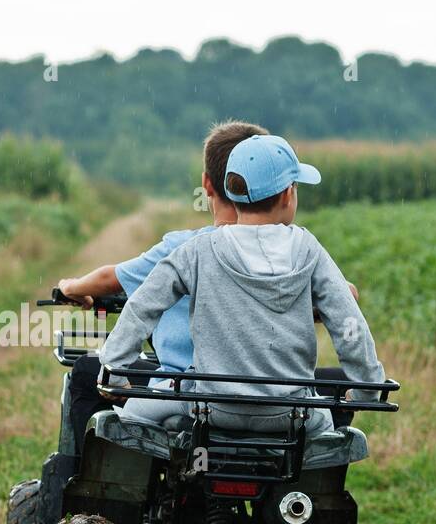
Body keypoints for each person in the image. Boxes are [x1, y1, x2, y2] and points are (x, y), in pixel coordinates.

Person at [98, 134, 385, 438]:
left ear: (231, 193)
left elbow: (143, 307)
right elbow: (348, 323)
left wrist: (115, 372)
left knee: (129, 423)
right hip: (293, 412)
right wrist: (365, 389)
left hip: (207, 407)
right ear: (288, 194)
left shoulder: (198, 250)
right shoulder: (309, 251)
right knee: (328, 442)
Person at [55, 120, 268, 449]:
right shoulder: (288, 252)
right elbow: (341, 295)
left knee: (85, 372)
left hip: (185, 386)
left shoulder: (185, 248)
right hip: (270, 397)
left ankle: (91, 482)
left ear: (206, 185)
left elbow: (110, 279)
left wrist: (72, 287)